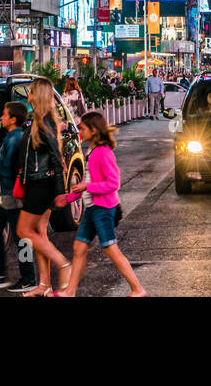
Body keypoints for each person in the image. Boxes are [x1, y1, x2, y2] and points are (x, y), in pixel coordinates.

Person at [58, 110, 145, 297]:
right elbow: (88, 182)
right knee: (79, 248)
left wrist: (86, 186)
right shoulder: (92, 151)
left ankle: (137, 289)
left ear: (94, 130)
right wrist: (69, 198)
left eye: (82, 128)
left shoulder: (103, 152)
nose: (80, 132)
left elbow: (113, 183)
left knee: (110, 248)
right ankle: (70, 291)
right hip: (91, 209)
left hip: (104, 209)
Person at [15, 77, 72, 296]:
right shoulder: (38, 119)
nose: (27, 96)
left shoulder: (45, 121)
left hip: (42, 183)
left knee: (23, 230)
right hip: (39, 182)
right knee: (39, 232)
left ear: (36, 95)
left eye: (30, 92)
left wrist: (60, 191)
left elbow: (57, 157)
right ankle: (44, 285)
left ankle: (63, 264)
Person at [0, 101, 38, 292]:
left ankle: (28, 277)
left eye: (4, 115)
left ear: (13, 119)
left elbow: (8, 168)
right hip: (8, 195)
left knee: (21, 238)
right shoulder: (13, 136)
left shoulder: (14, 139)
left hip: (13, 196)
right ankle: (0, 274)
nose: (0, 117)